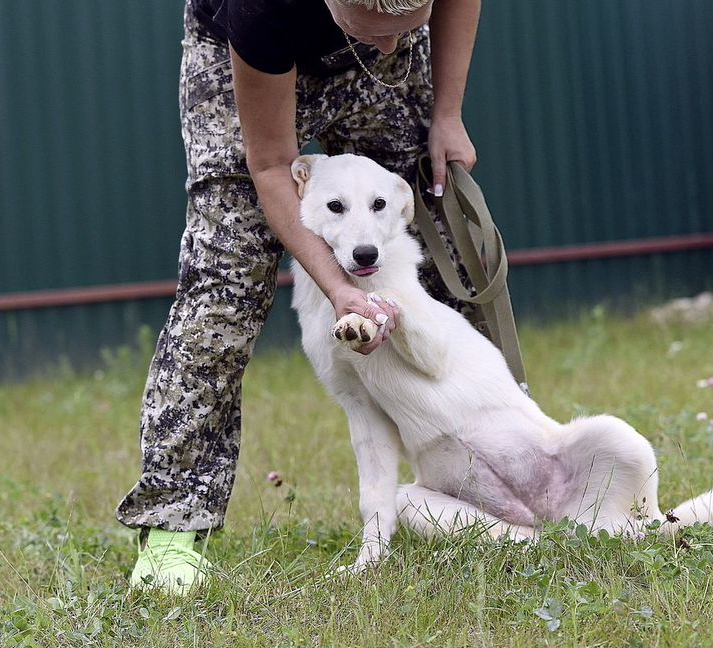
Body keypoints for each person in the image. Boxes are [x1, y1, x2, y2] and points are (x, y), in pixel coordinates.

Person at [116, 0, 482, 593]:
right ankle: (172, 526)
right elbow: (270, 166)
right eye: (376, 33)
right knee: (222, 290)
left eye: (403, 32)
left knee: (442, 240)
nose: (389, 49)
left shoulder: (389, 44)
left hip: (353, 62)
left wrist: (447, 112)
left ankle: (484, 474)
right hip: (240, 55)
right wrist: (336, 285)